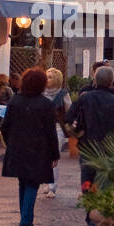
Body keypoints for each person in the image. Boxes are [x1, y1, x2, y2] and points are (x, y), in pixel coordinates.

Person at [65, 64, 114, 226]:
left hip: (88, 148)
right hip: (111, 150)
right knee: (106, 187)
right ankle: (103, 222)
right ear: (111, 82)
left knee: (88, 186)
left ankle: (92, 225)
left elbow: (68, 118)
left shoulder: (85, 99)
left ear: (95, 79)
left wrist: (76, 133)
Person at [1, 67, 59, 226]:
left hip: (17, 147)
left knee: (23, 182)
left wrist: (10, 142)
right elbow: (51, 132)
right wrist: (54, 154)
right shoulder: (46, 105)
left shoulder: (15, 101)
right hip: (38, 149)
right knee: (32, 183)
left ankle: (26, 220)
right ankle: (25, 222)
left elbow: (5, 127)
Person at [43, 67, 72, 199]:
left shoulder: (63, 94)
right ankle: (47, 180)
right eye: (46, 76)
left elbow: (70, 110)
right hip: (42, 128)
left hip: (57, 127)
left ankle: (52, 187)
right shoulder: (41, 92)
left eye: (50, 77)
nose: (47, 79)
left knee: (53, 157)